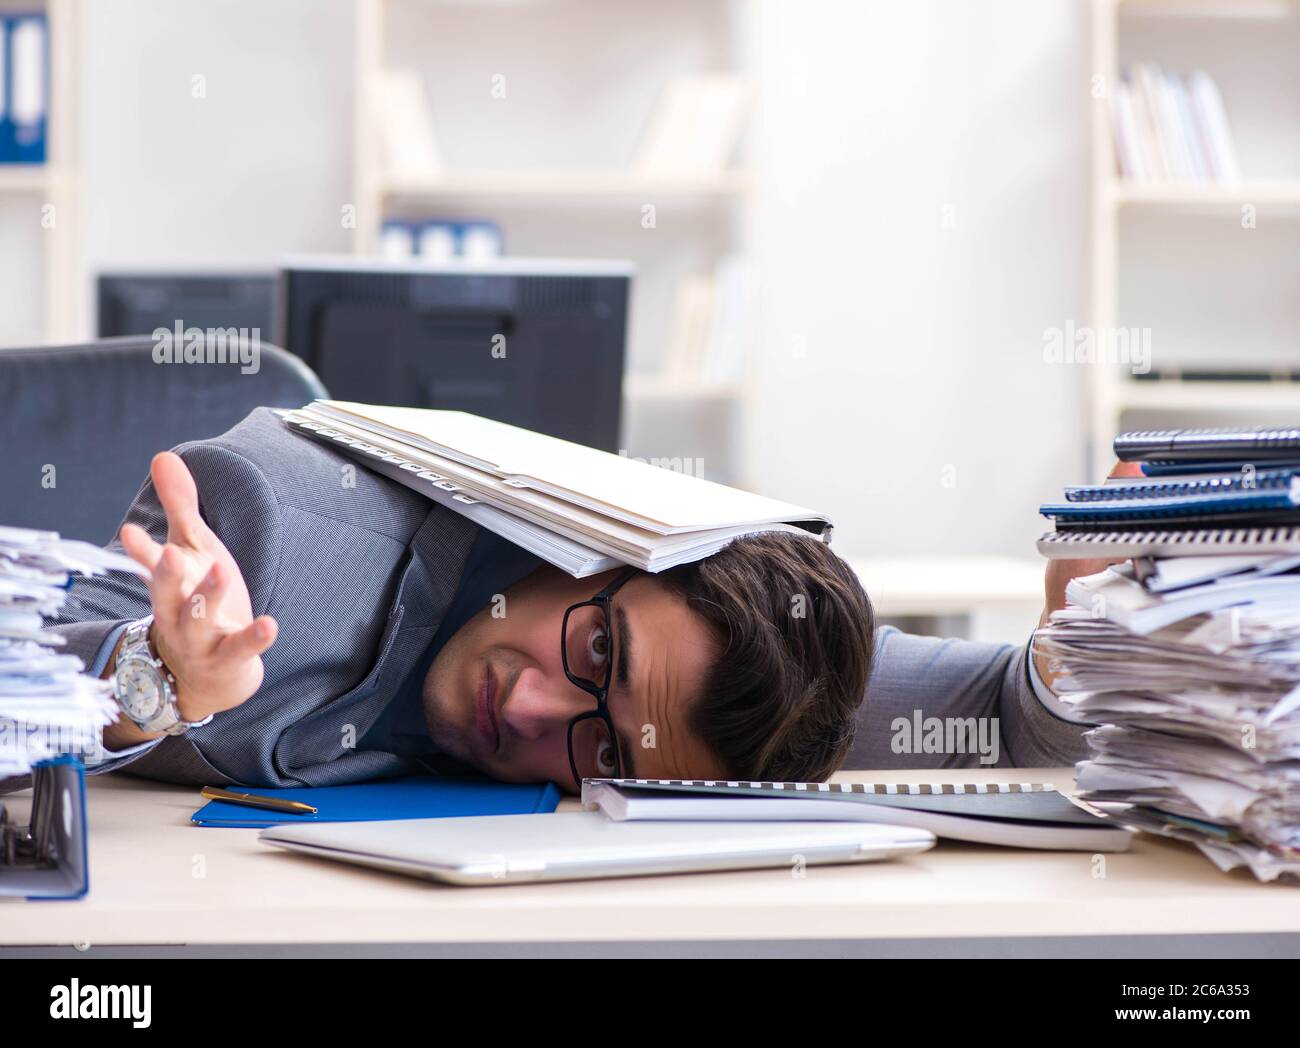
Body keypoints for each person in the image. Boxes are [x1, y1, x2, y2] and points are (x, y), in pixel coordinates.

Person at [0, 408, 1094, 796]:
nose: (530, 717)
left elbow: (1005, 708)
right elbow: (30, 666)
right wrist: (163, 677)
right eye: (597, 657)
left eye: (605, 752)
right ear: (594, 548)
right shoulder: (270, 531)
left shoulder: (720, 707)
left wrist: (1091, 639)